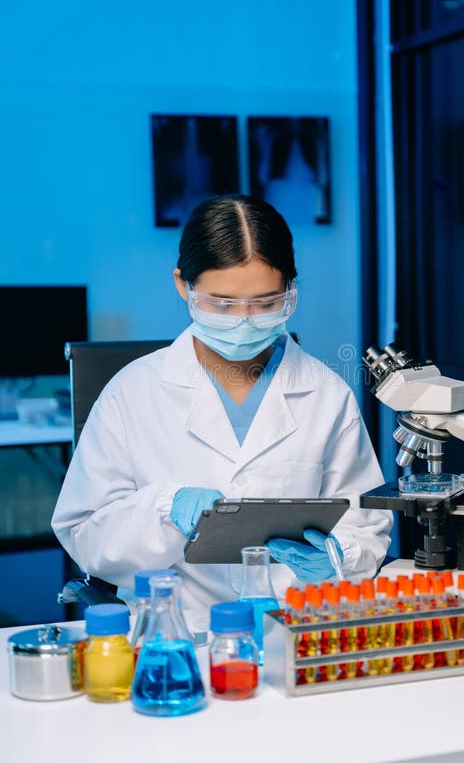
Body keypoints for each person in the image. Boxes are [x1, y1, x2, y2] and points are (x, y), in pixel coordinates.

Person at [52, 194, 392, 613]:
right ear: (184, 285)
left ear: (290, 289)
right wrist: (163, 510)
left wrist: (340, 559)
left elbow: (365, 520)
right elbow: (85, 535)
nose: (245, 320)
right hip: (175, 626)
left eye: (266, 303)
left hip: (297, 621)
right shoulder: (133, 392)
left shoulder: (325, 393)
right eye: (223, 304)